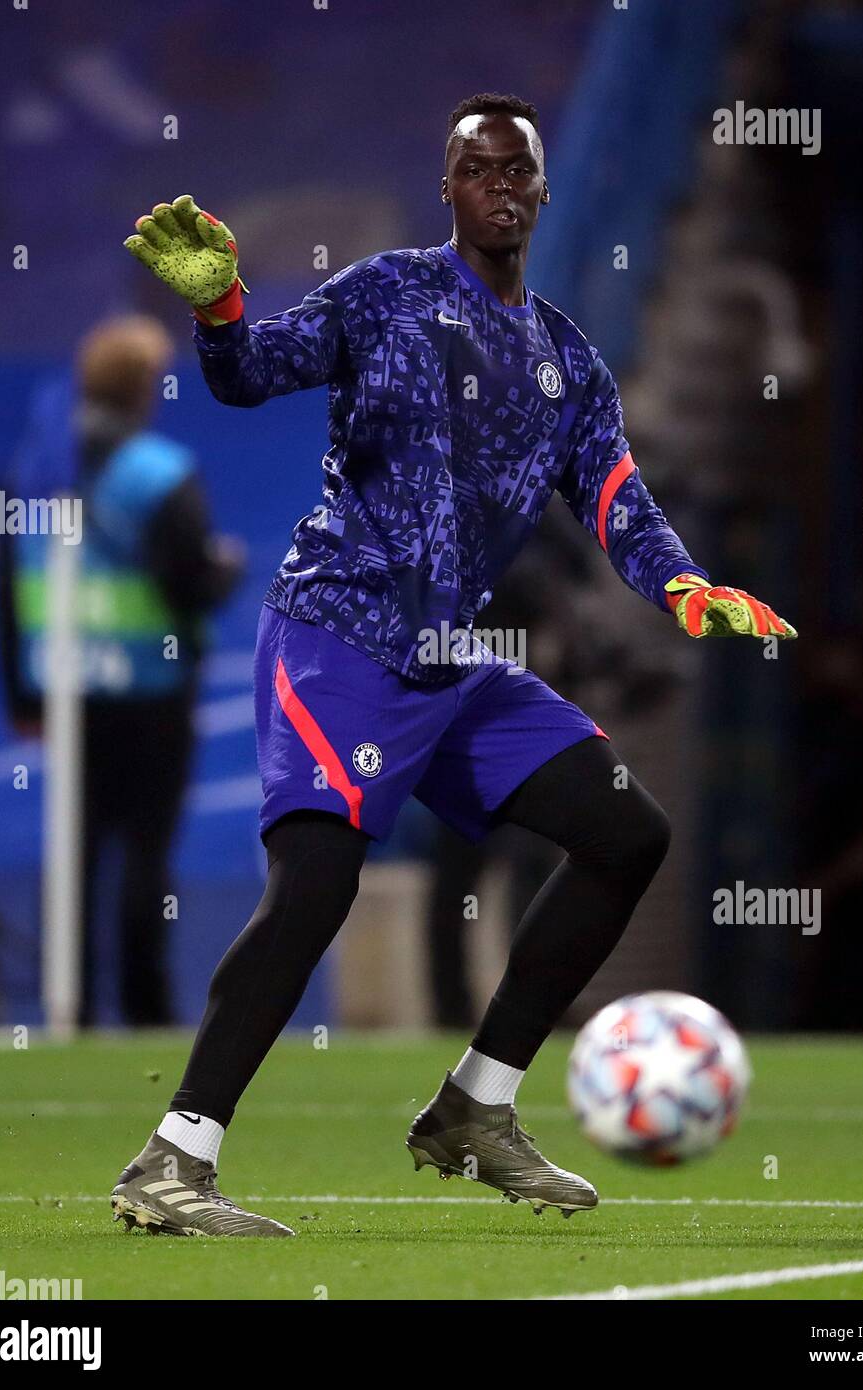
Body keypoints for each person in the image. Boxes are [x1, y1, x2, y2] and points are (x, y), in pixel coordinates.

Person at [111, 93, 794, 1237]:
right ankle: (173, 1158)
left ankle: (474, 1108)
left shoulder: (566, 356)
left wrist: (681, 582)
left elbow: (617, 494)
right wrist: (223, 308)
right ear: (449, 187)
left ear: (537, 185)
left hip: (450, 662)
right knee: (318, 885)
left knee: (629, 832)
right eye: (475, 167)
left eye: (515, 167)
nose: (498, 184)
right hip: (338, 634)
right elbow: (252, 372)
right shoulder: (385, 293)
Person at [0, 316, 245, 1024]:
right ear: (142, 386)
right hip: (151, 691)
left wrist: (22, 690)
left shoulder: (36, 470)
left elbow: (9, 584)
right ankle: (146, 1013)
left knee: (74, 850)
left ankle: (67, 1006)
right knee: (145, 855)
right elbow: (190, 580)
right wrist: (223, 570)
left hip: (65, 686)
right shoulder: (158, 474)